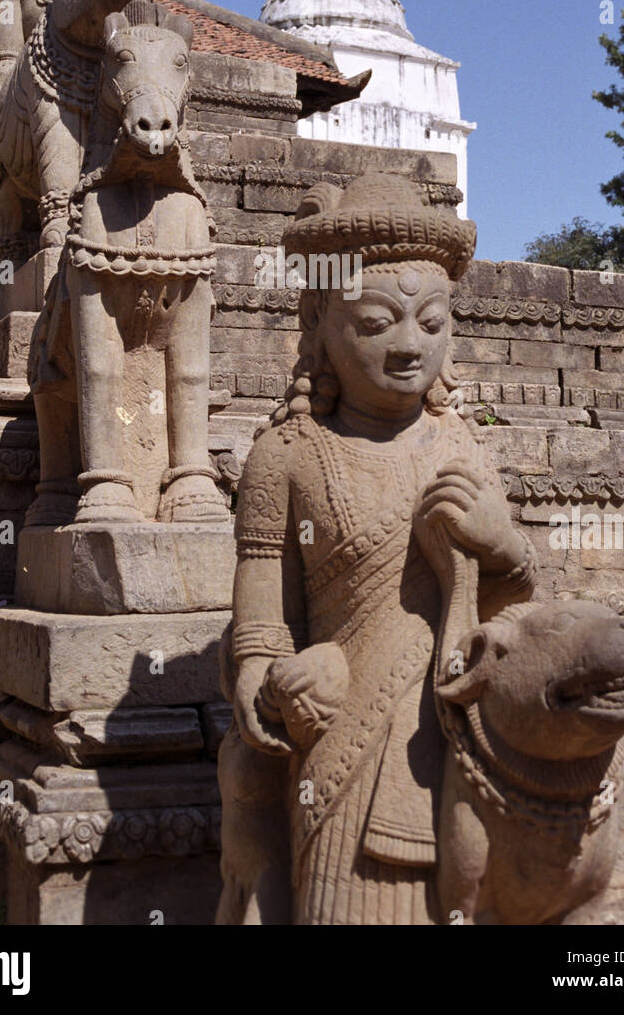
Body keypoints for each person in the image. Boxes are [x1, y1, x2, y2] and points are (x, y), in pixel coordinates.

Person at [225, 171, 536, 925]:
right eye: (376, 324)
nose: (408, 349)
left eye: (432, 324)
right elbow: (262, 625)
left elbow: (518, 607)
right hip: (341, 749)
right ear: (320, 322)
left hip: (454, 749)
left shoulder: (459, 446)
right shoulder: (287, 456)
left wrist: (507, 548)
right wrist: (269, 681)